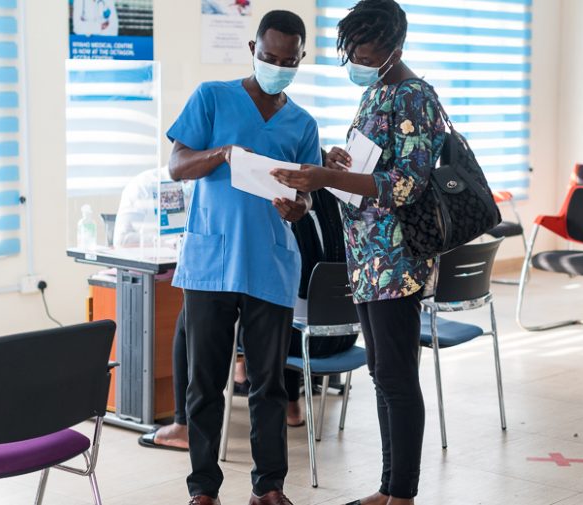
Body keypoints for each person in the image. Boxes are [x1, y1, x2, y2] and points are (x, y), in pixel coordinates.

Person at [272, 2, 446, 504]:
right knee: (382, 375)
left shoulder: (413, 96)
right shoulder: (378, 93)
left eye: (360, 48)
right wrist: (334, 168)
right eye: (346, 48)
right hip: (368, 259)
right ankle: (388, 488)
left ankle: (403, 495)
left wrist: (328, 177)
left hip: (397, 260)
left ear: (392, 47)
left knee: (396, 376)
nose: (351, 58)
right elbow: (367, 170)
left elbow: (407, 185)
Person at [166, 10, 318, 505]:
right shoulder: (212, 97)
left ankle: (268, 487)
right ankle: (203, 490)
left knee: (269, 385)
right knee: (205, 384)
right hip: (212, 264)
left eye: (287, 60)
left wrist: (300, 206)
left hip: (270, 265)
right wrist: (223, 153)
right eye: (269, 57)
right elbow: (177, 165)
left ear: (299, 58)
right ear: (252, 48)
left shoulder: (302, 123)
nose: (277, 66)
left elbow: (308, 196)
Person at [139, 186, 356, 452]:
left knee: (195, 319)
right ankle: (291, 407)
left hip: (303, 341)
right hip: (344, 336)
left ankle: (183, 426)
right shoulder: (335, 206)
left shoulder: (285, 215)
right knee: (272, 304)